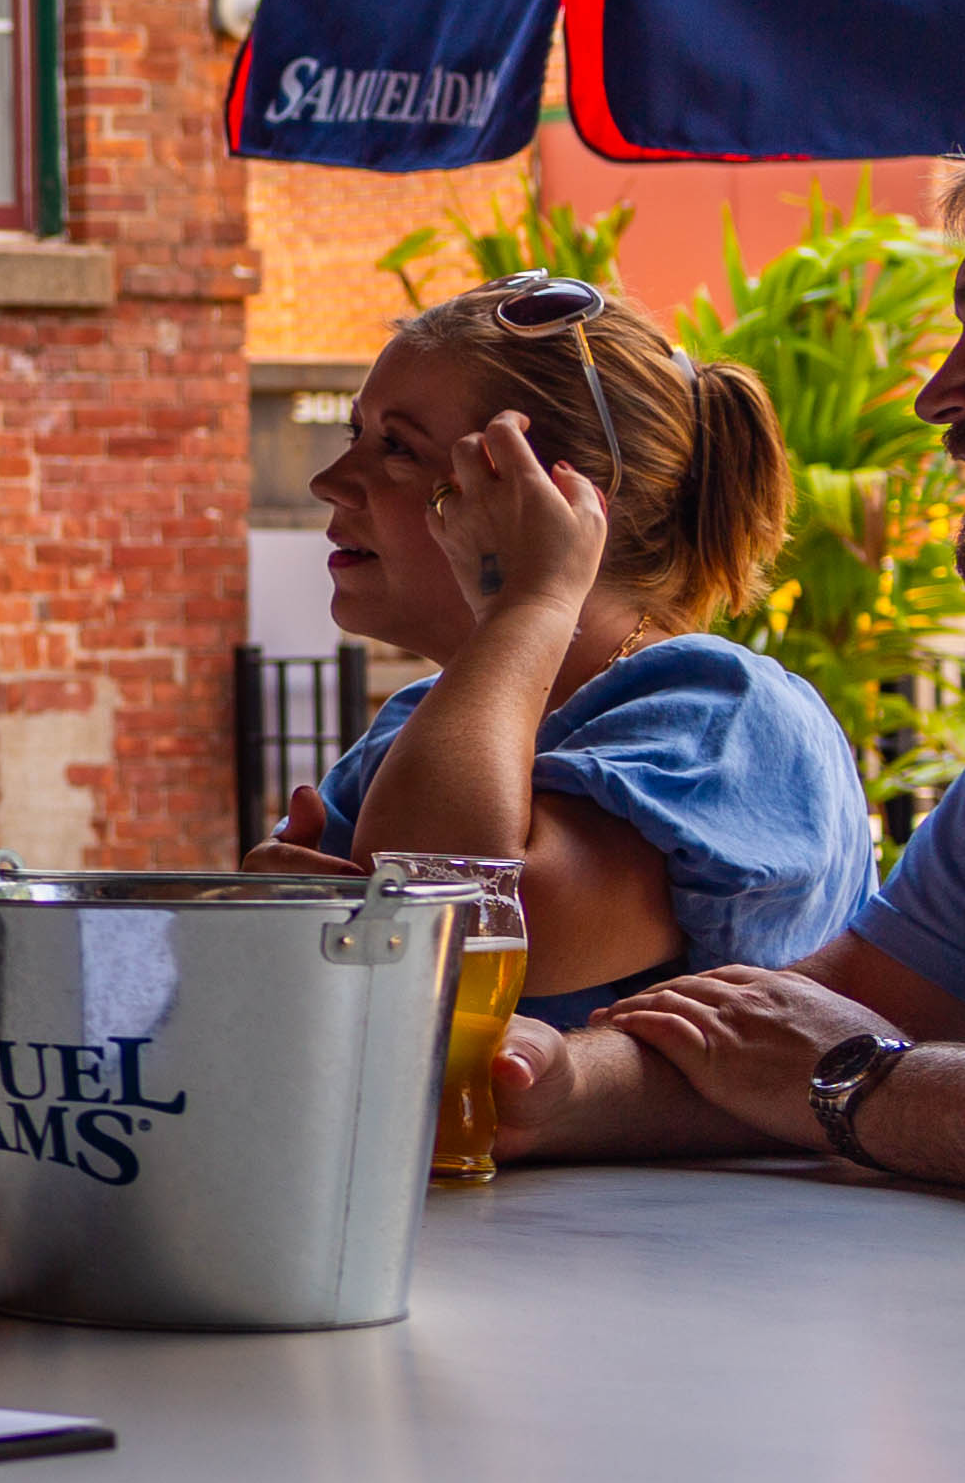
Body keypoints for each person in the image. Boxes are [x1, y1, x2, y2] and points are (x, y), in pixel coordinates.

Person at [248, 273, 872, 1027]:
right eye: (357, 436)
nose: (328, 482)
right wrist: (265, 926)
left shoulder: (728, 717)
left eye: (397, 449)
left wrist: (530, 599)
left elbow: (442, 932)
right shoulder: (420, 720)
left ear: (549, 500)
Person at [494, 222, 965, 1186]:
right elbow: (802, 1029)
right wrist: (560, 1085)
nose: (934, 396)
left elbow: (834, 1053)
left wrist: (861, 1083)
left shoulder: (718, 704)